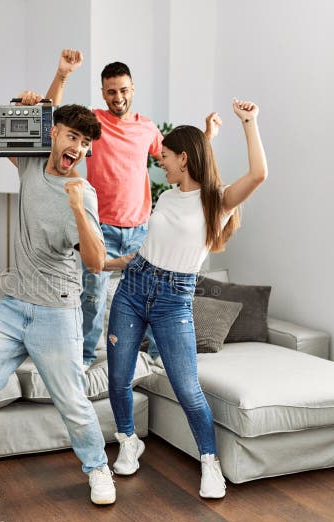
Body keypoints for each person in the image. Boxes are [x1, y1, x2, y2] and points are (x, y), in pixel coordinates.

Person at [0, 99, 116, 518]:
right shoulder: (29, 163)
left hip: (57, 312)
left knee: (72, 402)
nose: (77, 147)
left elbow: (96, 261)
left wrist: (77, 205)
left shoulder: (84, 193)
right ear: (54, 134)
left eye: (84, 142)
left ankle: (98, 469)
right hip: (13, 306)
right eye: (71, 136)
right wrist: (39, 101)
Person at [106, 99, 267, 499]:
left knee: (187, 387)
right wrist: (112, 263)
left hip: (174, 300)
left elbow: (260, 174)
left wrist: (249, 122)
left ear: (183, 158)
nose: (160, 162)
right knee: (118, 377)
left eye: (165, 157)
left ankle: (210, 464)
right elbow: (153, 245)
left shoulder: (219, 200)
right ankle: (128, 441)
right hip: (132, 288)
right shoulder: (167, 197)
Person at [46, 52, 217, 369]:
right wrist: (63, 75)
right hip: (102, 231)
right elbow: (53, 123)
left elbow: (181, 158)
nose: (118, 97)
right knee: (92, 299)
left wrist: (207, 136)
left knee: (154, 297)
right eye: (111, 91)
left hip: (141, 230)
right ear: (103, 93)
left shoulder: (147, 129)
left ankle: (157, 355)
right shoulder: (94, 123)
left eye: (123, 90)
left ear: (133, 89)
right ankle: (84, 357)